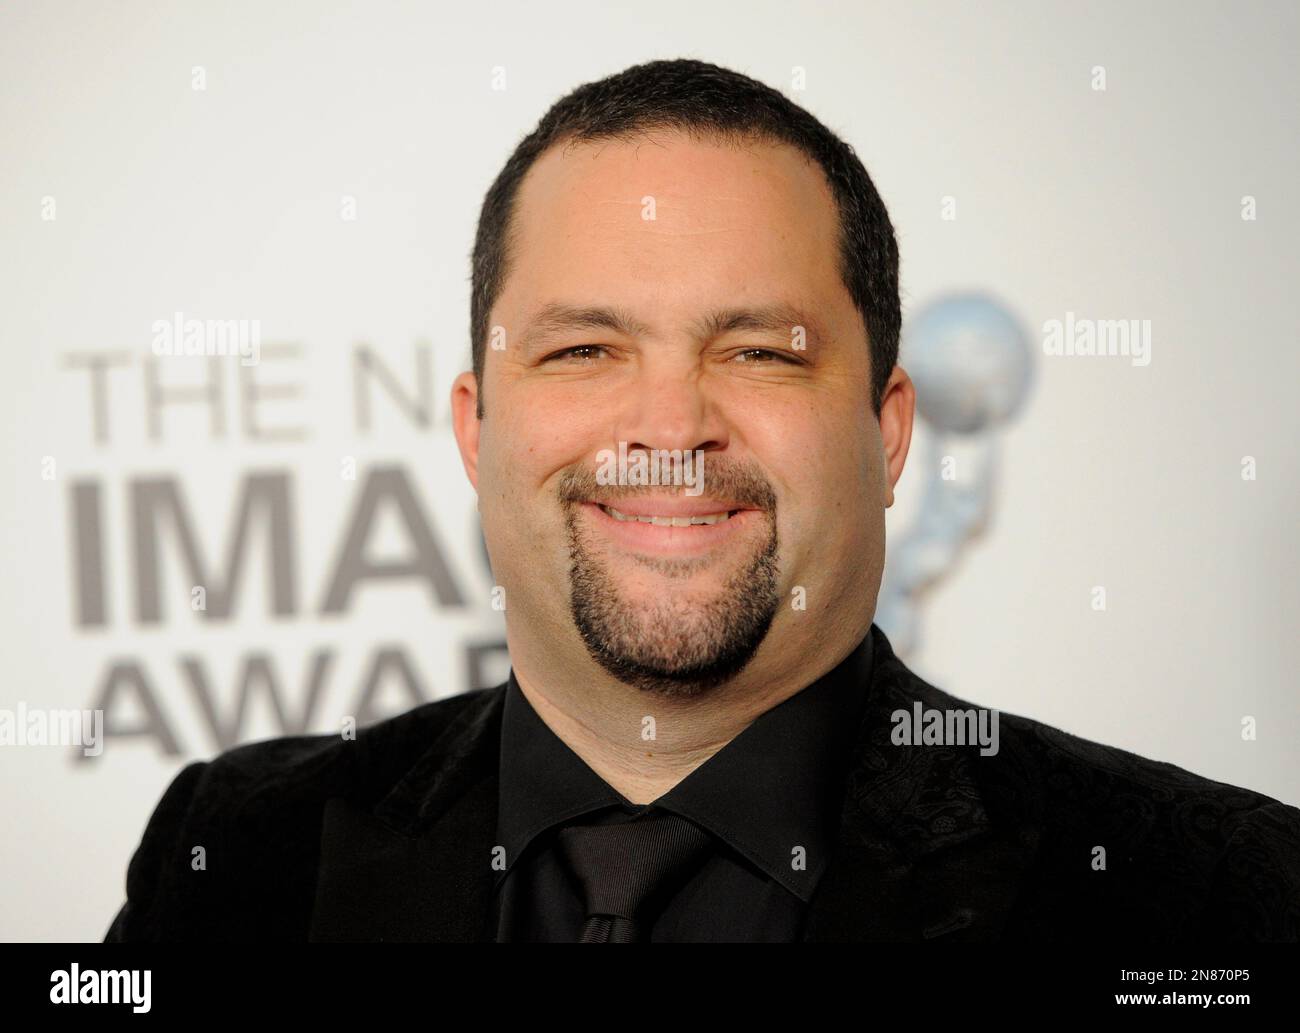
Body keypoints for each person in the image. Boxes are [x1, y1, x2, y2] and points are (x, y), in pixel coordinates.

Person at [105, 58, 1300, 943]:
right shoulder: (235, 852)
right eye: (583, 350)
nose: (670, 430)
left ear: (887, 432)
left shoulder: (1213, 897)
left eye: (759, 352)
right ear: (477, 429)